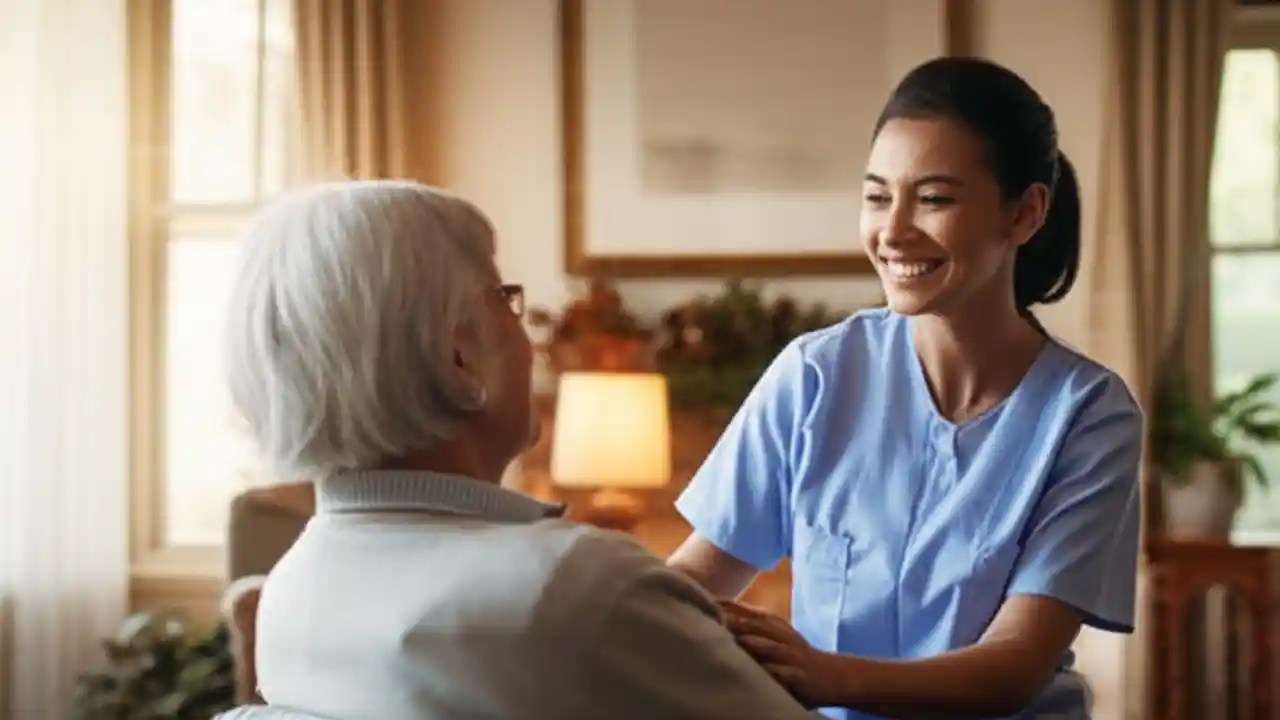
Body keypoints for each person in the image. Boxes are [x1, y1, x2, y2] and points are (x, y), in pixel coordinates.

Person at [218, 181, 817, 720]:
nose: (526, 334)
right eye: (504, 299)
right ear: (461, 359)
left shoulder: (292, 592)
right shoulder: (578, 589)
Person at [668, 57, 1142, 720]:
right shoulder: (814, 376)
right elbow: (694, 580)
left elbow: (1014, 664)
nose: (892, 232)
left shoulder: (1089, 416)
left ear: (1026, 213)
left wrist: (822, 675)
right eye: (876, 196)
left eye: (935, 198)